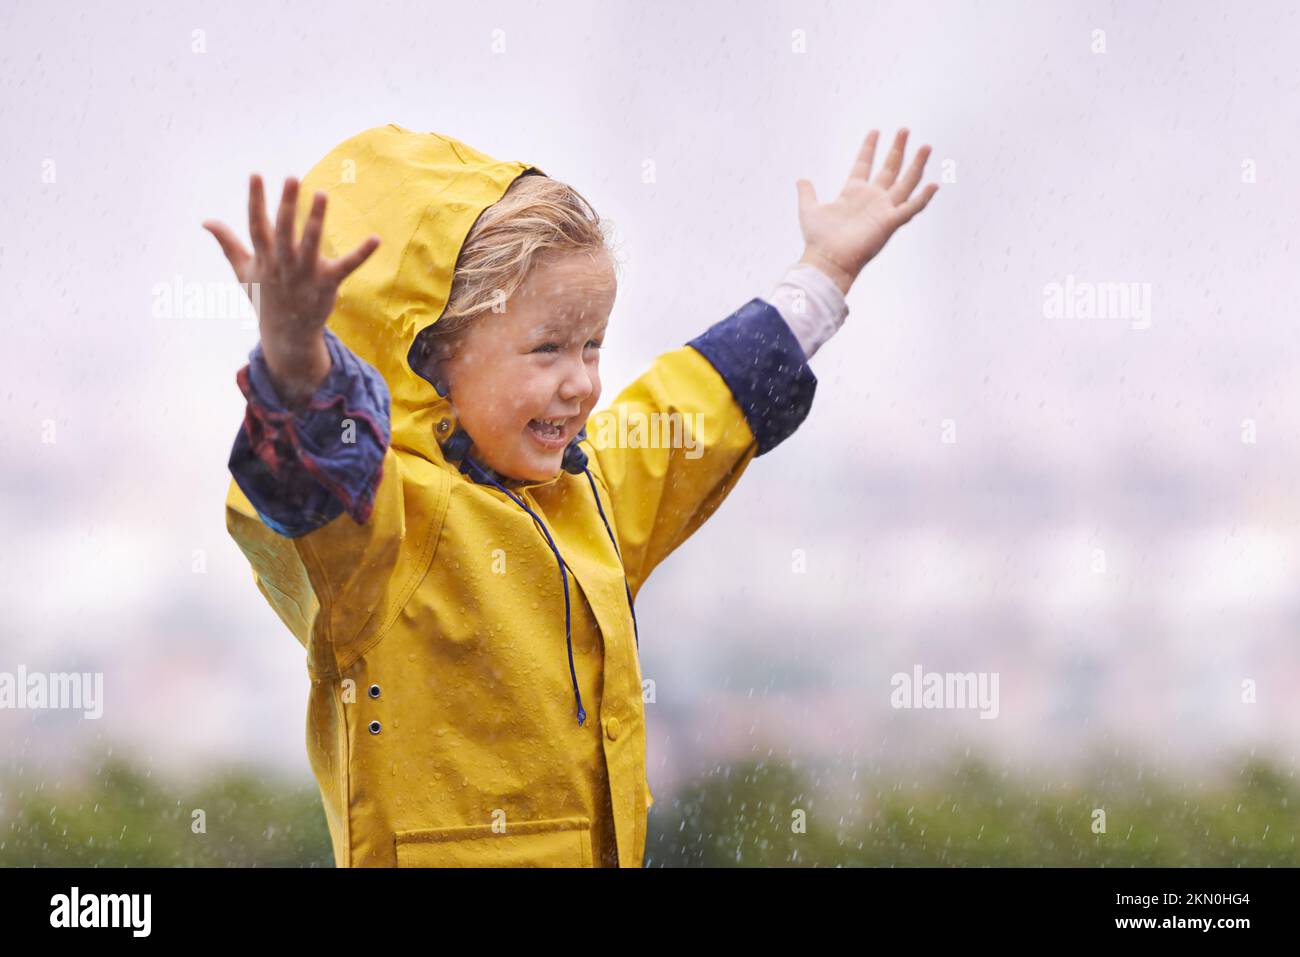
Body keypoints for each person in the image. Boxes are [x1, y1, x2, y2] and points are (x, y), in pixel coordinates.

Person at [203, 124, 937, 867]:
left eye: (593, 345)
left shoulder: (588, 492)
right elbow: (310, 484)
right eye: (548, 347)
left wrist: (823, 270)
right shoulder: (383, 534)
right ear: (431, 356)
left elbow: (694, 407)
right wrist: (298, 369)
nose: (583, 380)